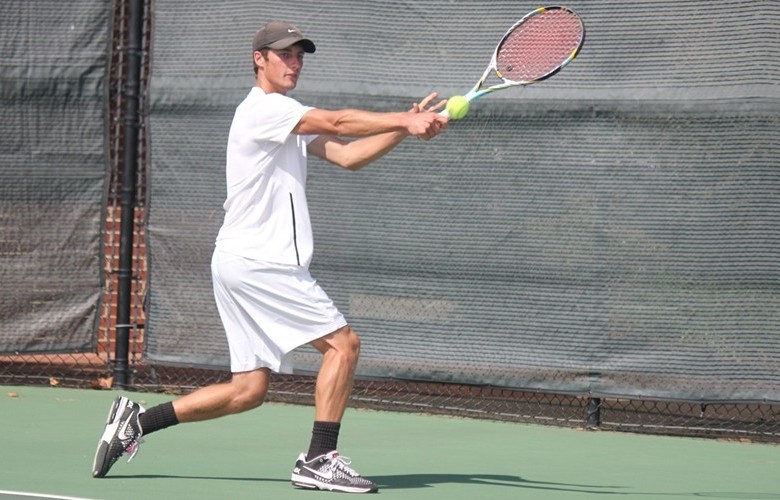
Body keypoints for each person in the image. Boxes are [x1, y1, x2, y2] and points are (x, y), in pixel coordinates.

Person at [91, 21, 448, 494]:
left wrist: (403, 129)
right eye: (285, 55)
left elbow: (348, 155)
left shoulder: (285, 120)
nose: (294, 63)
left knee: (248, 390)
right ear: (259, 58)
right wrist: (403, 120)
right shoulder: (265, 110)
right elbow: (338, 121)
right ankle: (320, 458)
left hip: (239, 261)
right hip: (262, 262)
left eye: (300, 56)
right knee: (344, 345)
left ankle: (137, 421)